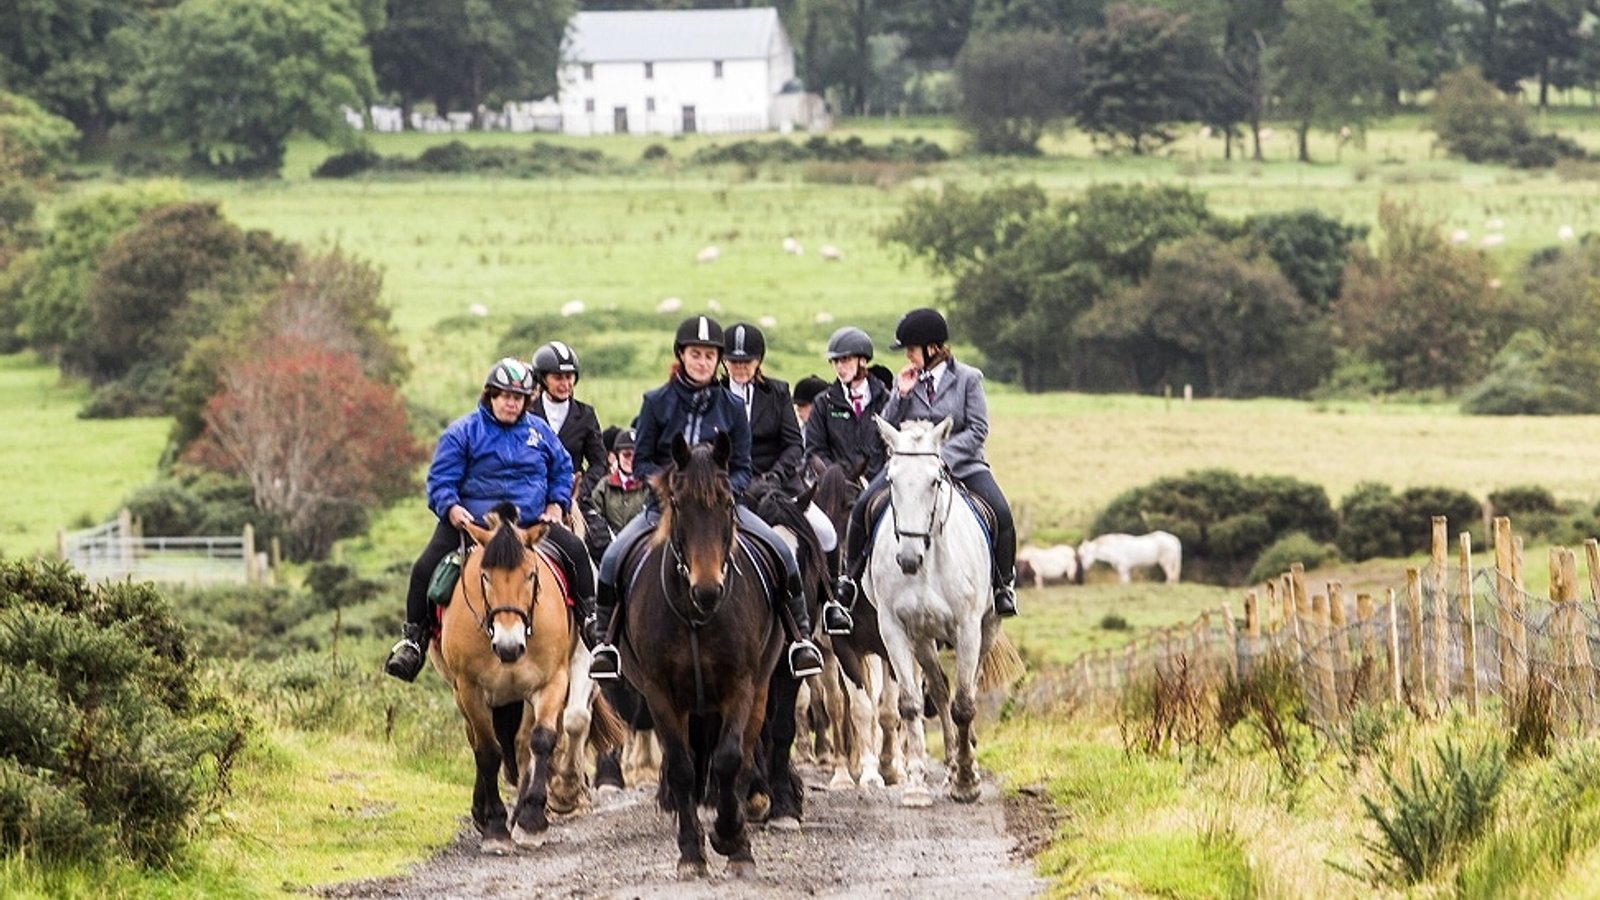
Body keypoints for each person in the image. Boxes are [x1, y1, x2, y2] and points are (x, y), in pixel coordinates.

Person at [590, 316, 825, 681]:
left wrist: (723, 491)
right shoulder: (656, 402)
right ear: (681, 356)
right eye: (695, 354)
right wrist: (668, 488)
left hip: (721, 510)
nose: (702, 362)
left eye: (709, 356)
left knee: (781, 554)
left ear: (717, 361)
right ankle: (605, 644)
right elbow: (642, 460)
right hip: (667, 508)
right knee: (611, 558)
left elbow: (743, 464)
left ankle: (800, 639)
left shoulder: (731, 405)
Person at [385, 358, 599, 681]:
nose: (511, 403)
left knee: (577, 552)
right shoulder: (462, 432)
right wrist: (452, 508)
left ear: (527, 401)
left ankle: (591, 625)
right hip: (474, 525)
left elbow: (562, 468)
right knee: (423, 569)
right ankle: (413, 641)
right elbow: (441, 481)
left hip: (528, 526)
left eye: (519, 397)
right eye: (505, 396)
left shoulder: (539, 432)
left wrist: (556, 505)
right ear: (490, 396)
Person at [834, 308, 1018, 623]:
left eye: (911, 348)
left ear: (932, 348)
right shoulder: (906, 380)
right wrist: (901, 395)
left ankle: (1002, 585)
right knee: (864, 504)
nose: (907, 355)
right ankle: (849, 582)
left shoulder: (968, 379)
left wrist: (940, 457)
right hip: (910, 470)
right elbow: (884, 430)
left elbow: (977, 429)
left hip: (963, 465)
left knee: (1001, 512)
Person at [722, 321, 839, 576]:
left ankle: (833, 602)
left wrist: (775, 474)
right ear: (724, 362)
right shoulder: (713, 395)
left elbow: (794, 444)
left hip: (779, 483)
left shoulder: (777, 392)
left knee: (826, 532)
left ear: (759, 360)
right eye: (734, 362)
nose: (740, 367)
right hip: (728, 487)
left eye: (747, 361)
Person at [805, 325, 892, 633]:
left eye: (845, 360)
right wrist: (835, 475)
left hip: (880, 480)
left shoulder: (885, 399)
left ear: (862, 361)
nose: (840, 367)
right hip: (837, 486)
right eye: (836, 361)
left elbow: (893, 442)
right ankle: (826, 600)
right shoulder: (824, 403)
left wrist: (878, 476)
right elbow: (813, 449)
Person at [529, 341, 608, 505]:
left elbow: (599, 463)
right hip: (532, 498)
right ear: (543, 379)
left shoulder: (586, 414)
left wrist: (580, 491)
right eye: (558, 378)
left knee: (603, 531)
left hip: (574, 499)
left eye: (569, 377)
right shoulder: (528, 413)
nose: (565, 384)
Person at [580, 427, 650, 562]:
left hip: (640, 548)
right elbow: (594, 512)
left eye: (635, 455)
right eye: (626, 455)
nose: (630, 460)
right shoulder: (605, 485)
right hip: (609, 547)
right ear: (617, 456)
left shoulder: (648, 486)